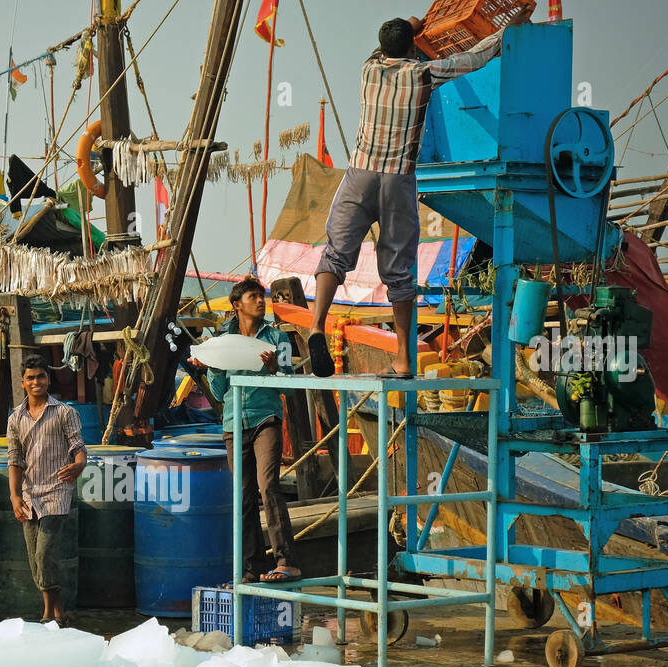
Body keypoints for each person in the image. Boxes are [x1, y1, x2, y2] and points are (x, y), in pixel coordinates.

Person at [307, 11, 529, 376]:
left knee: (336, 253)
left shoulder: (368, 70)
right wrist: (506, 31)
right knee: (398, 271)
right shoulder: (422, 75)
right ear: (412, 48)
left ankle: (317, 324)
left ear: (382, 47)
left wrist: (409, 26)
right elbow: (471, 60)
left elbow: (389, 45)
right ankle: (403, 358)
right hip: (397, 180)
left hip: (360, 174)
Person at [189, 277, 299, 584]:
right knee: (244, 497)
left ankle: (286, 561)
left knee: (268, 486)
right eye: (253, 297)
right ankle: (251, 568)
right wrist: (210, 365)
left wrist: (276, 369)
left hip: (266, 419)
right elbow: (220, 389)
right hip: (233, 424)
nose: (261, 301)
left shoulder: (278, 339)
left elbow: (289, 388)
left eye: (261, 296)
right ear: (237, 305)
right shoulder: (223, 340)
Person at [7, 355, 86, 624]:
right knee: (35, 559)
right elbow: (14, 459)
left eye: (40, 376)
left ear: (47, 380)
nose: (36, 381)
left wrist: (79, 465)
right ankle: (58, 610)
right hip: (30, 494)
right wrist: (15, 496)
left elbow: (79, 448)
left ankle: (46, 614)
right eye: (30, 377)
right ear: (23, 383)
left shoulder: (65, 412)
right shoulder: (16, 418)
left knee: (45, 552)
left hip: (57, 491)